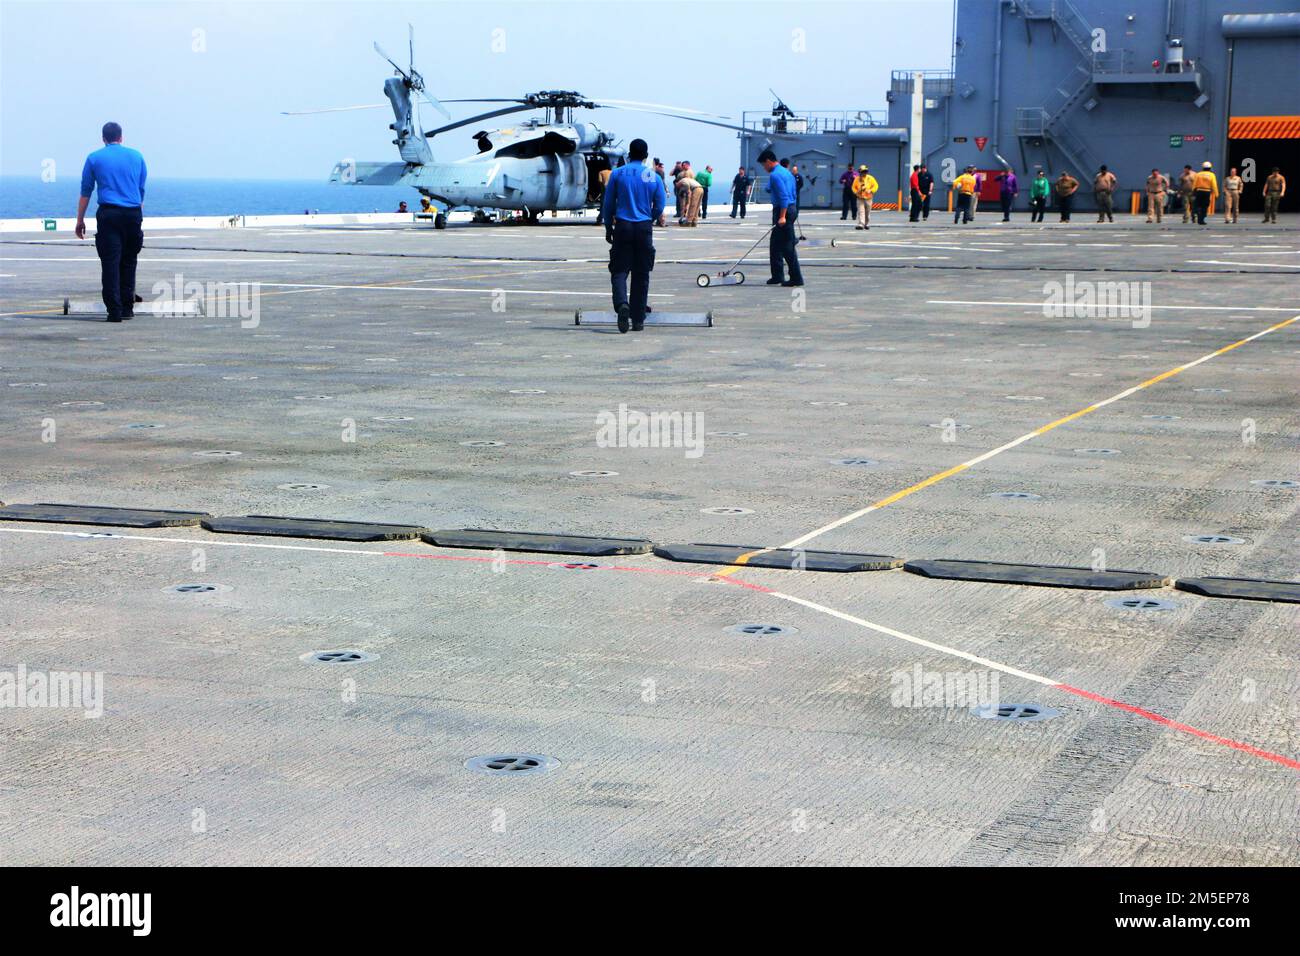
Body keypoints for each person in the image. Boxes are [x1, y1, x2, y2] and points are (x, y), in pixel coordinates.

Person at [75, 121, 147, 323]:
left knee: (110, 263)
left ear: (103, 138)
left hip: (109, 215)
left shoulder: (94, 158)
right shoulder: (137, 156)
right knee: (129, 260)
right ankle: (127, 308)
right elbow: (141, 190)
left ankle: (114, 311)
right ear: (121, 137)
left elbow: (85, 192)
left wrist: (80, 220)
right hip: (133, 214)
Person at [601, 138, 664, 333]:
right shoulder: (653, 176)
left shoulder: (618, 174)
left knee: (619, 270)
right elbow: (660, 205)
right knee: (641, 273)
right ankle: (638, 320)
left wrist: (608, 227)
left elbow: (608, 203)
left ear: (629, 154)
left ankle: (622, 305)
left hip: (623, 226)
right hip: (643, 227)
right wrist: (649, 220)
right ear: (645, 156)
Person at [758, 148, 802, 286]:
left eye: (764, 165)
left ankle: (796, 278)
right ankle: (777, 275)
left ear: (769, 161)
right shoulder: (787, 173)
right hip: (792, 208)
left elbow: (783, 197)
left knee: (787, 246)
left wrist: (782, 216)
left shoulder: (775, 175)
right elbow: (792, 192)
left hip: (783, 211)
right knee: (775, 245)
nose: (764, 168)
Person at [1191, 161, 1218, 225]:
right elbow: (1214, 185)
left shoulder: (1198, 174)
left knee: (1197, 204)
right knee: (1205, 206)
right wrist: (1216, 194)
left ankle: (1196, 213)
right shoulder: (1212, 175)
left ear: (1203, 167)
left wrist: (1193, 192)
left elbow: (1194, 184)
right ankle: (1201, 219)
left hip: (1199, 191)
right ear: (1210, 168)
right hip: (1207, 192)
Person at [852, 164, 878, 230]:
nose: (864, 173)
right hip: (860, 198)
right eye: (862, 171)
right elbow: (853, 187)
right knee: (861, 211)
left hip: (868, 198)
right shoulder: (857, 179)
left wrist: (871, 190)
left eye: (865, 171)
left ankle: (866, 224)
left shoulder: (870, 178)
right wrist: (856, 192)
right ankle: (861, 224)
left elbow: (876, 186)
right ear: (860, 172)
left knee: (867, 212)